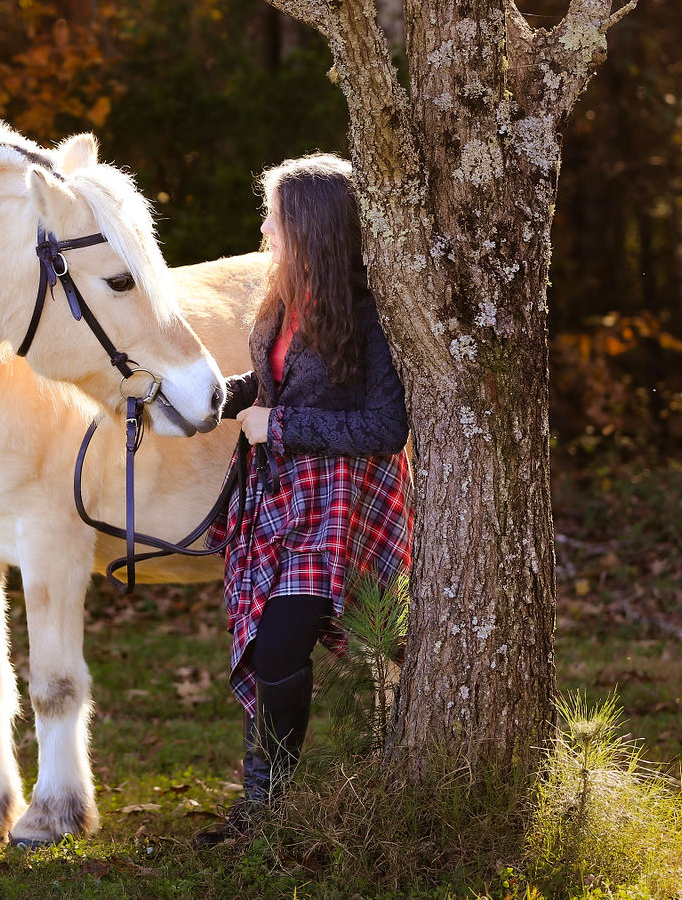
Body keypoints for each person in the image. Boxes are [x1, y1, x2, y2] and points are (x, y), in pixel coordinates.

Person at [196, 153, 413, 845]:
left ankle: (272, 808)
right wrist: (220, 394)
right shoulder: (283, 301)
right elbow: (272, 383)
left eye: (275, 218)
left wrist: (280, 425)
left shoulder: (369, 317)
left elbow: (387, 426)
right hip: (280, 497)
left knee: (280, 645)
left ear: (311, 228)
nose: (263, 228)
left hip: (338, 505)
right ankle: (262, 810)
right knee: (264, 642)